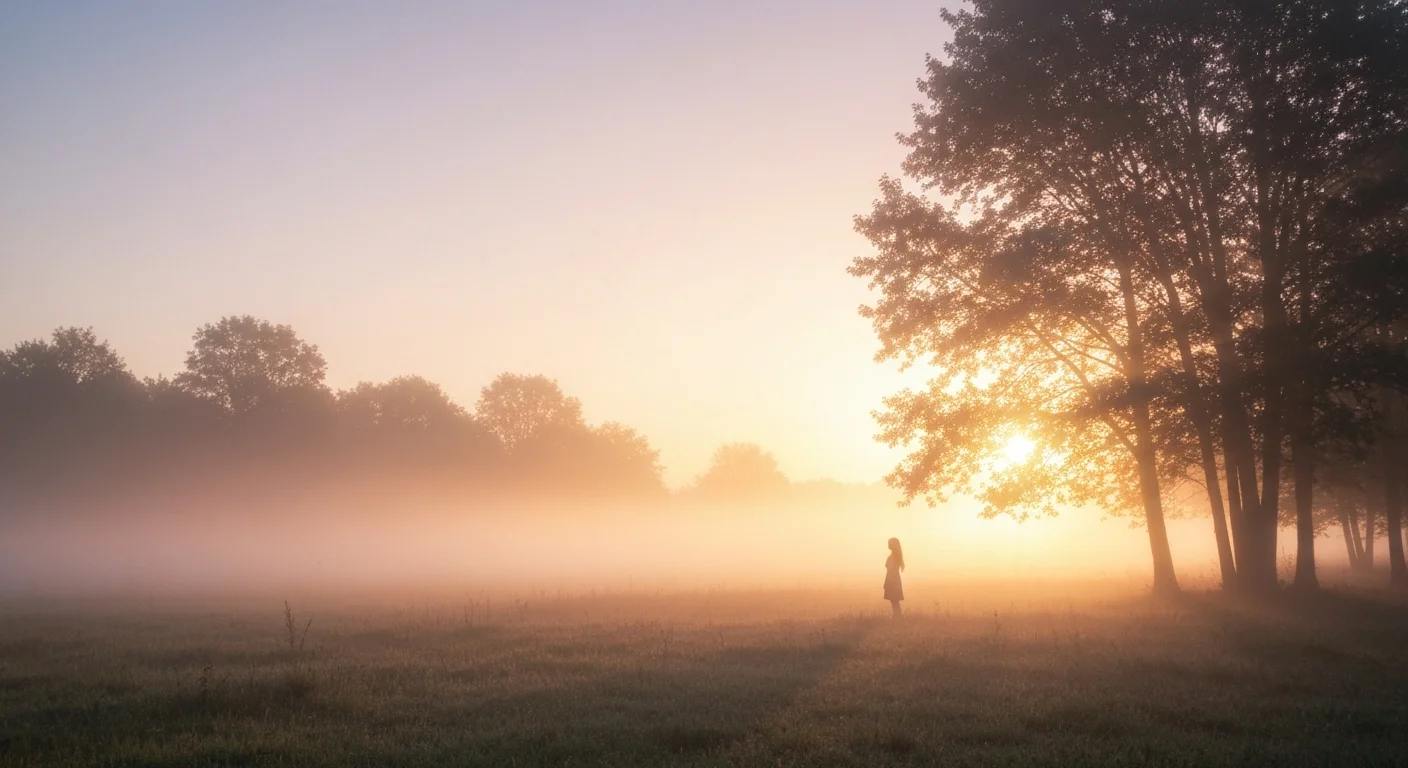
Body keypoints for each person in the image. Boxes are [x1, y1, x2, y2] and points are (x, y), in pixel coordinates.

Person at [884, 537, 904, 618]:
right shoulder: (895, 556)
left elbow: (891, 570)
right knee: (894, 601)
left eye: (889, 543)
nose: (888, 544)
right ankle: (897, 617)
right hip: (893, 579)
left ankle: (897, 617)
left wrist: (889, 582)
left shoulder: (894, 557)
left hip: (893, 580)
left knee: (894, 600)